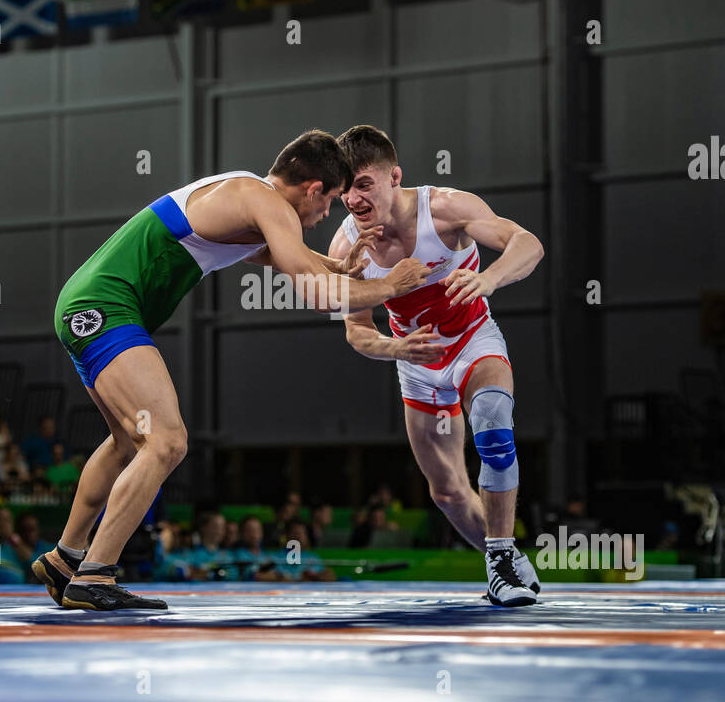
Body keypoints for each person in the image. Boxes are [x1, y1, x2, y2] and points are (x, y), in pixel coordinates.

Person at [31, 130, 428, 610]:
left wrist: (344, 268)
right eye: (330, 205)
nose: (329, 216)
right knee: (167, 441)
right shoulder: (265, 204)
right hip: (104, 308)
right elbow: (315, 292)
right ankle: (95, 574)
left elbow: (285, 258)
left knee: (124, 442)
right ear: (313, 189)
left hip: (91, 304)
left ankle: (64, 558)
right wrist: (388, 285)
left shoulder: (248, 196)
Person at [328, 125, 544, 607]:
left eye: (364, 185)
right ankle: (502, 557)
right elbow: (356, 331)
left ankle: (502, 559)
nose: (354, 200)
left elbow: (527, 244)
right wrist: (396, 349)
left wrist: (488, 278)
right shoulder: (346, 249)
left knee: (492, 423)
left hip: (471, 339)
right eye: (345, 191)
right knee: (446, 491)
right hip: (417, 360)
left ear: (394, 178)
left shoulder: (445, 209)